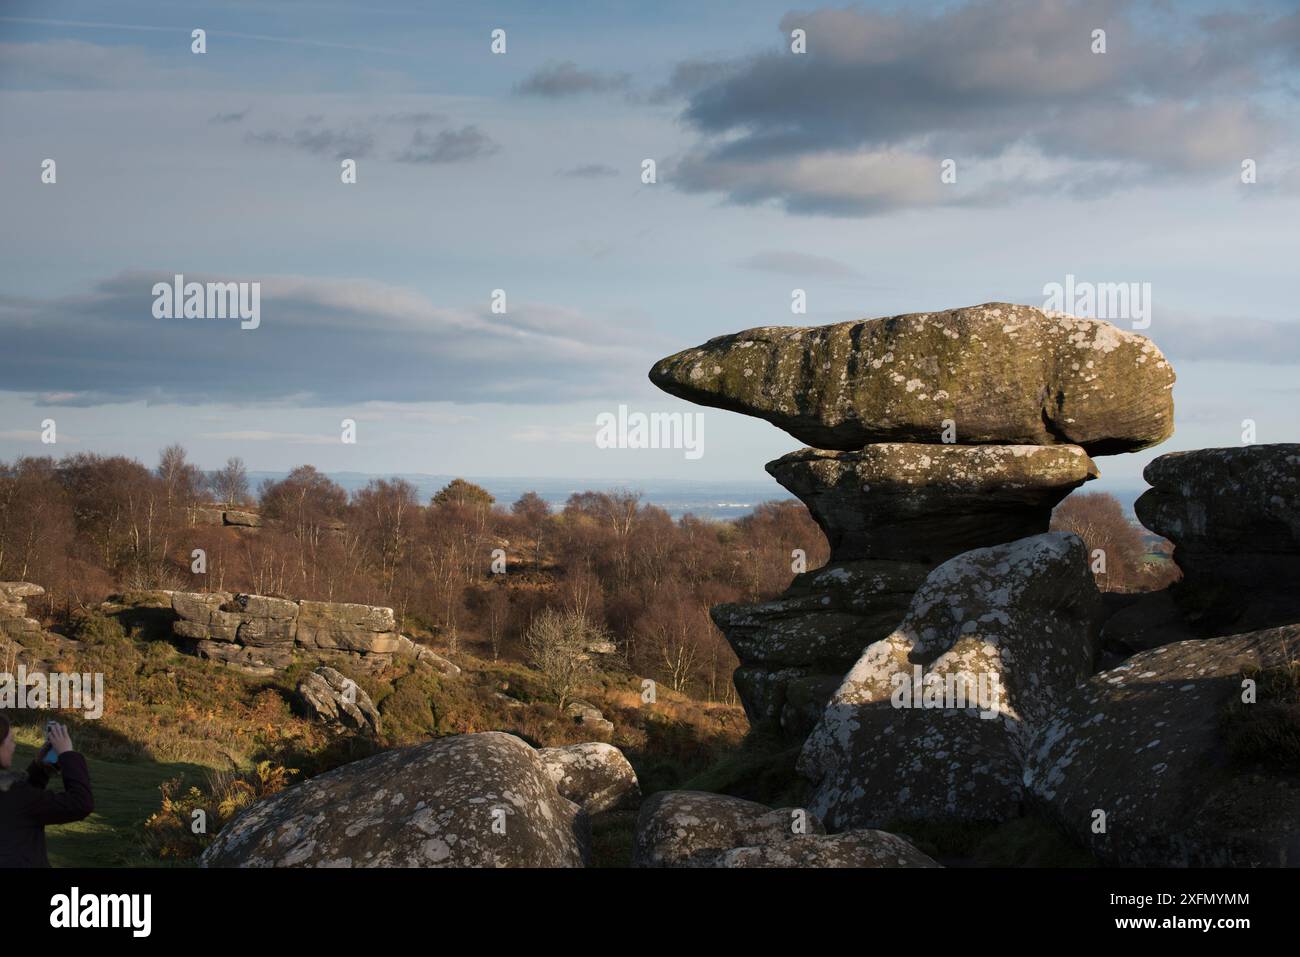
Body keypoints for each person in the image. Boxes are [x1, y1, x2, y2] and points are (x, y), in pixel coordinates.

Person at [0, 716, 94, 867]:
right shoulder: (15, 796)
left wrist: (39, 769)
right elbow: (80, 803)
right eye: (10, 740)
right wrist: (67, 754)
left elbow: (15, 810)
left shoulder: (12, 795)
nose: (13, 746)